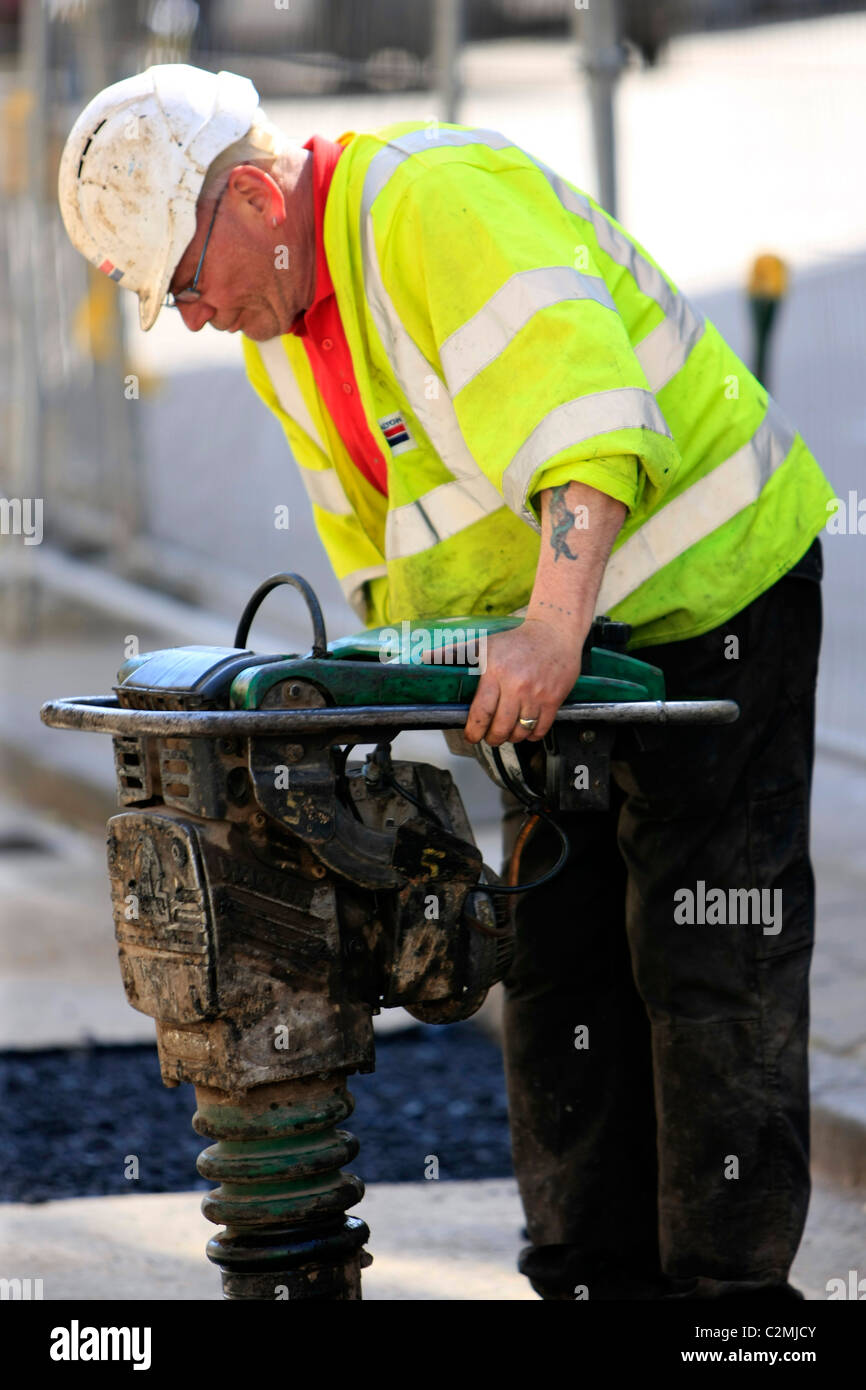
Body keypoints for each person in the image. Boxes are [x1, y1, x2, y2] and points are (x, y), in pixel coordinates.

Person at [59, 64, 834, 1300]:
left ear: (255, 198)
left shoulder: (433, 206)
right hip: (547, 646)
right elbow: (391, 579)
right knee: (551, 958)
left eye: (190, 283)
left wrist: (544, 633)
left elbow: (590, 427)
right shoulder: (286, 332)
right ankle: (587, 1279)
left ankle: (728, 1311)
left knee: (703, 952)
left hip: (707, 590)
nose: (190, 318)